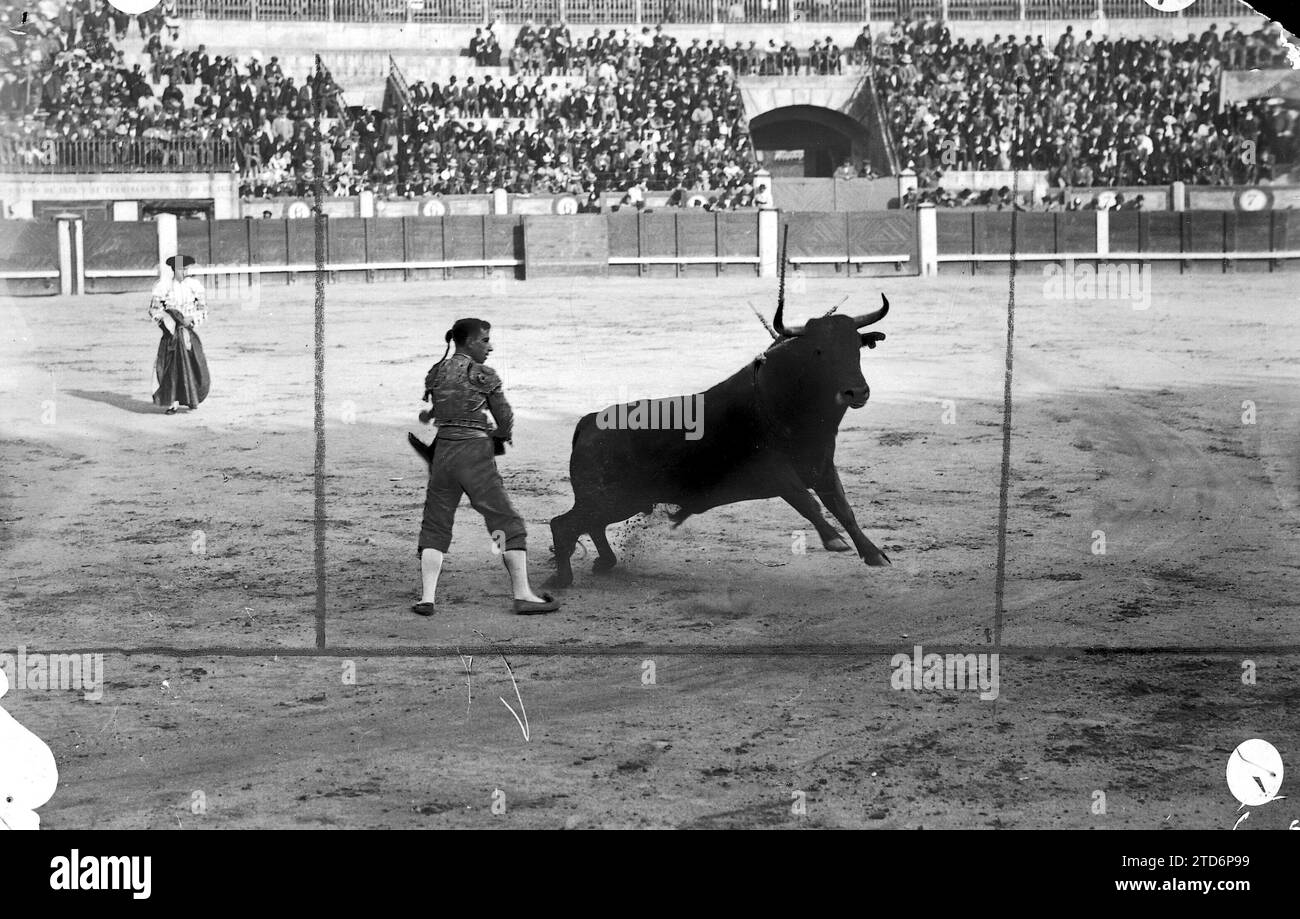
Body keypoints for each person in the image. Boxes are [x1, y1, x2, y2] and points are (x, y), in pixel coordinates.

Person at [413, 319, 558, 617]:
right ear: (468, 342)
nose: (489, 347)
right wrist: (501, 435)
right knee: (504, 520)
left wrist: (430, 416)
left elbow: (440, 407)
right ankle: (523, 595)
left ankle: (427, 598)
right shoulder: (482, 374)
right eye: (485, 340)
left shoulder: (437, 371)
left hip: (443, 454)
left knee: (436, 521)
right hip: (474, 455)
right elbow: (505, 415)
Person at [148, 254, 210, 414]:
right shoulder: (163, 286)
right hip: (171, 333)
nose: (185, 272)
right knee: (171, 367)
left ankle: (191, 397)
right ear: (174, 270)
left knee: (193, 364)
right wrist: (168, 321)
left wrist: (192, 318)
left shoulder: (194, 286)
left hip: (188, 331)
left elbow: (203, 308)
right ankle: (173, 402)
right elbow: (154, 310)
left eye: (186, 269)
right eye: (182, 269)